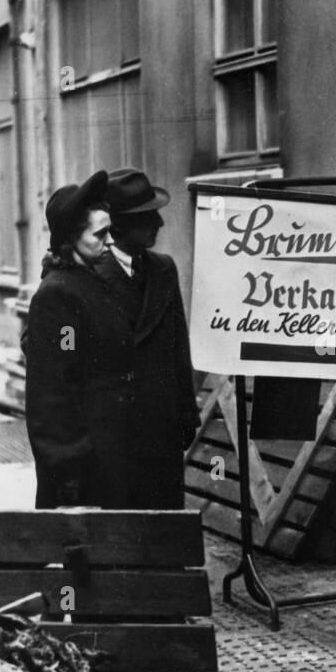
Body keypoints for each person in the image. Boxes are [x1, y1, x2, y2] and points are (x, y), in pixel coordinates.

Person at [24, 169, 146, 509]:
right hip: (86, 465)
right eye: (101, 234)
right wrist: (68, 472)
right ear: (71, 238)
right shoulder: (58, 296)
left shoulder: (92, 283)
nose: (109, 242)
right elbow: (53, 388)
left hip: (113, 451)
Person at [94, 167, 200, 508]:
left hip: (161, 423)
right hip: (112, 431)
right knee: (120, 534)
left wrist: (187, 413)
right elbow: (51, 344)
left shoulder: (163, 268)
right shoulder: (87, 273)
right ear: (118, 225)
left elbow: (177, 346)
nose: (160, 223)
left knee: (166, 525)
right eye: (147, 216)